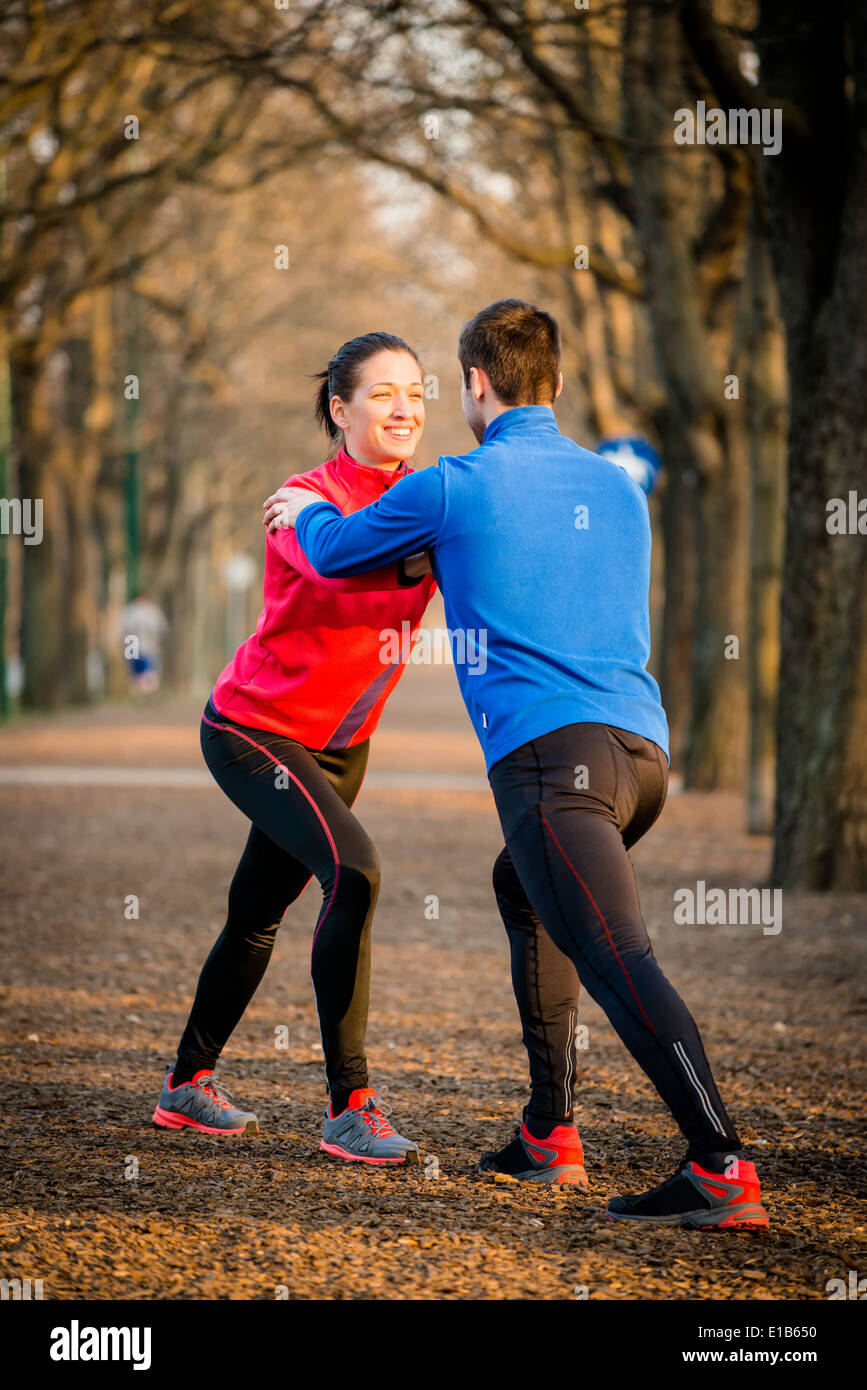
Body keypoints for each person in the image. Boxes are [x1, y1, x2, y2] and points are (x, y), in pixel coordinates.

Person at [264, 299, 769, 1229]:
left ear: (474, 385)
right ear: (558, 384)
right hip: (641, 760)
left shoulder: (452, 485)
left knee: (617, 956)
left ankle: (719, 1164)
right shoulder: (617, 487)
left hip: (552, 769)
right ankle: (547, 1133)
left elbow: (331, 555)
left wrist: (304, 509)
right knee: (526, 891)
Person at [152, 333, 436, 1164]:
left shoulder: (428, 495)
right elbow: (331, 564)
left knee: (256, 913)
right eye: (382, 393)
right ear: (340, 410)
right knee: (356, 872)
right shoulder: (303, 499)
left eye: (416, 392)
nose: (404, 408)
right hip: (254, 727)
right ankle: (350, 1105)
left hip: (341, 746)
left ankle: (185, 1085)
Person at [120, 592, 168, 697]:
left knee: (142, 674)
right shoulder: (150, 611)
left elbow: (123, 631)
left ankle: (143, 693)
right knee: (144, 674)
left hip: (139, 647)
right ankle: (143, 693)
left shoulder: (132, 612)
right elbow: (161, 629)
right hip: (143, 648)